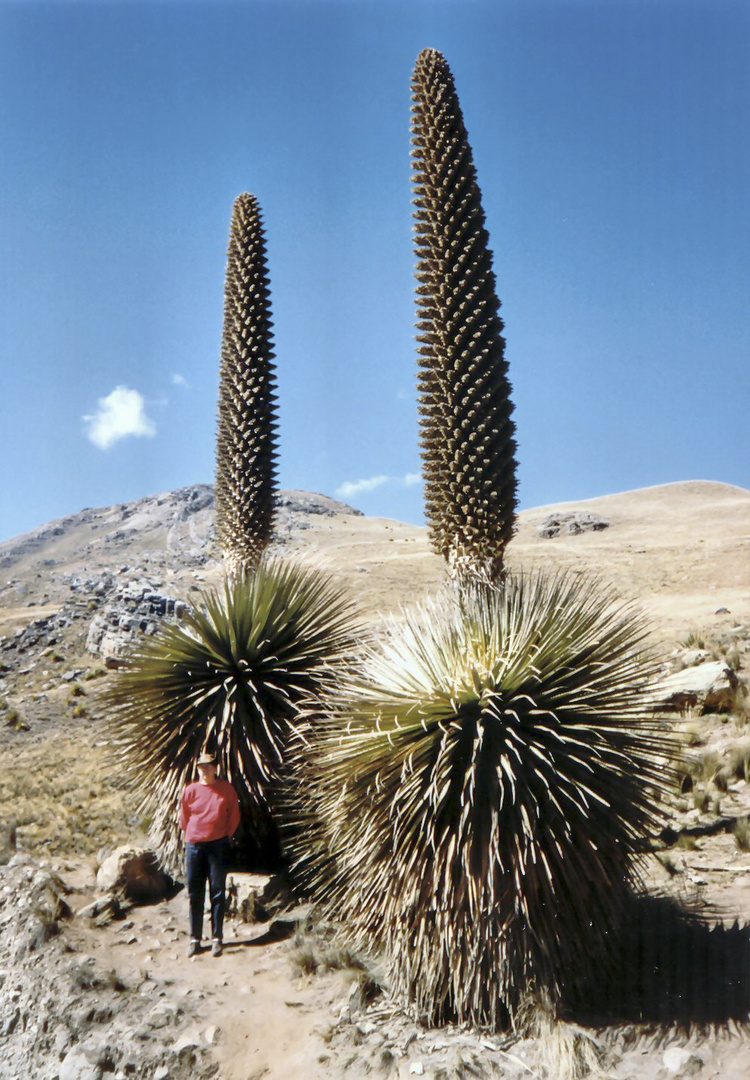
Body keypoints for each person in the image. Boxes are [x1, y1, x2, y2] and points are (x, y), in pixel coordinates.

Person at [179, 751, 240, 957]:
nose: (204, 770)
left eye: (207, 766)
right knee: (195, 892)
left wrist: (225, 835)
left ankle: (217, 939)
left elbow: (234, 815)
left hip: (218, 846)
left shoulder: (226, 789)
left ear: (215, 768)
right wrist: (193, 835)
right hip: (194, 846)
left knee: (217, 891)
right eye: (201, 766)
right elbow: (184, 818)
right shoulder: (190, 791)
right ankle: (195, 939)